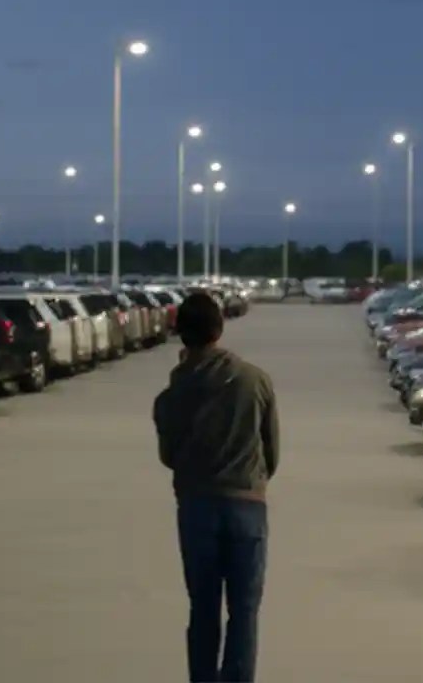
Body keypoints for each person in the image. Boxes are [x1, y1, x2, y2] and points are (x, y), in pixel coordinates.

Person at [154, 292, 279, 683]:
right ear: (219, 328)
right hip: (248, 507)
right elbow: (271, 452)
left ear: (179, 334)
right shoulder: (255, 379)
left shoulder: (170, 396)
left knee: (203, 607)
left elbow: (169, 455)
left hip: (197, 509)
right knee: (243, 610)